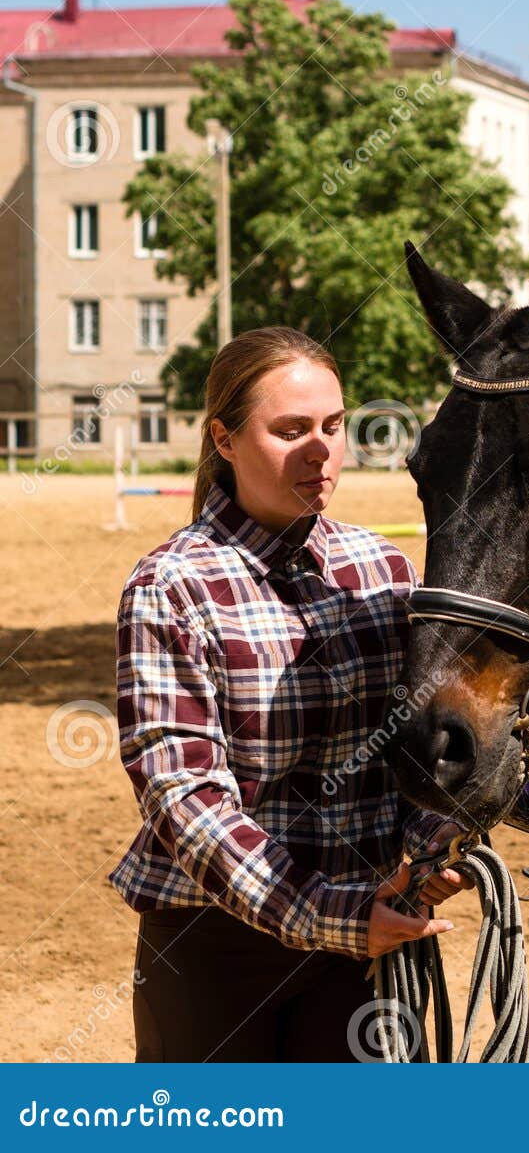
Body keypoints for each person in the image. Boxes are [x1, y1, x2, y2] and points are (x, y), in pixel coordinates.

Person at [108, 327, 474, 1062]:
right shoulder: (169, 588)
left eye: (334, 427)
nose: (321, 450)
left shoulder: (385, 571)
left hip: (368, 943)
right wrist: (328, 914)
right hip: (213, 951)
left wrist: (438, 852)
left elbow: (424, 755)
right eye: (290, 430)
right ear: (226, 438)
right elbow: (184, 797)